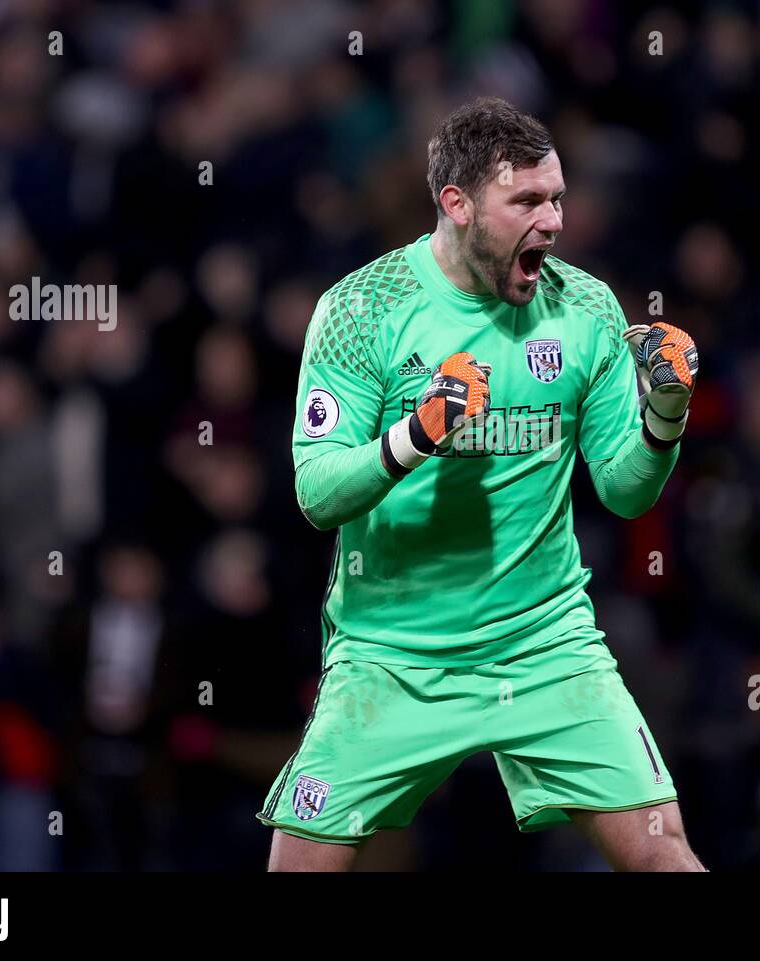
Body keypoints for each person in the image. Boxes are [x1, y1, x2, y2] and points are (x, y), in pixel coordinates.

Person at [260, 97, 704, 871]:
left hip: (545, 644)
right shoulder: (361, 310)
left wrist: (664, 413)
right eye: (527, 200)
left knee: (667, 859)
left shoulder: (586, 308)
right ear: (457, 205)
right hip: (392, 654)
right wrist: (415, 435)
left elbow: (624, 491)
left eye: (557, 196)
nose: (554, 220)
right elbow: (317, 491)